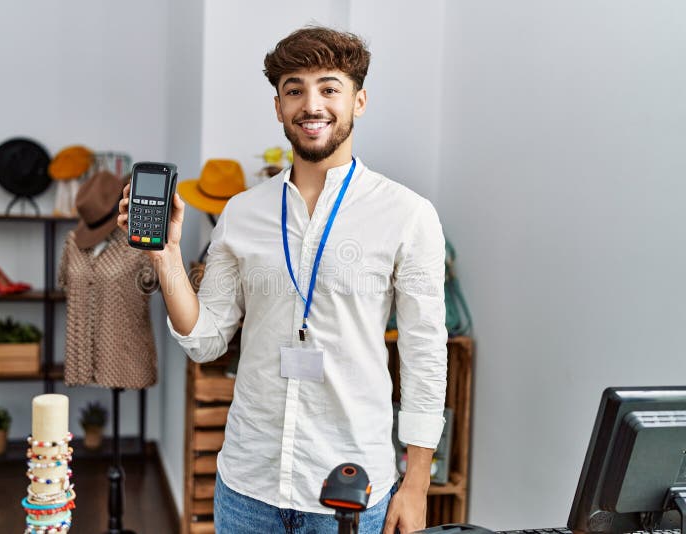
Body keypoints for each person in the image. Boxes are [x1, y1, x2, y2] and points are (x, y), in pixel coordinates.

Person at [118, 26, 447, 534]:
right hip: (248, 486)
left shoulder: (408, 214)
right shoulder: (243, 212)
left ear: (359, 101)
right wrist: (165, 256)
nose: (311, 104)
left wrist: (417, 484)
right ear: (278, 107)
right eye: (295, 89)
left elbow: (426, 355)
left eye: (329, 88)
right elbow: (205, 341)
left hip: (350, 490)